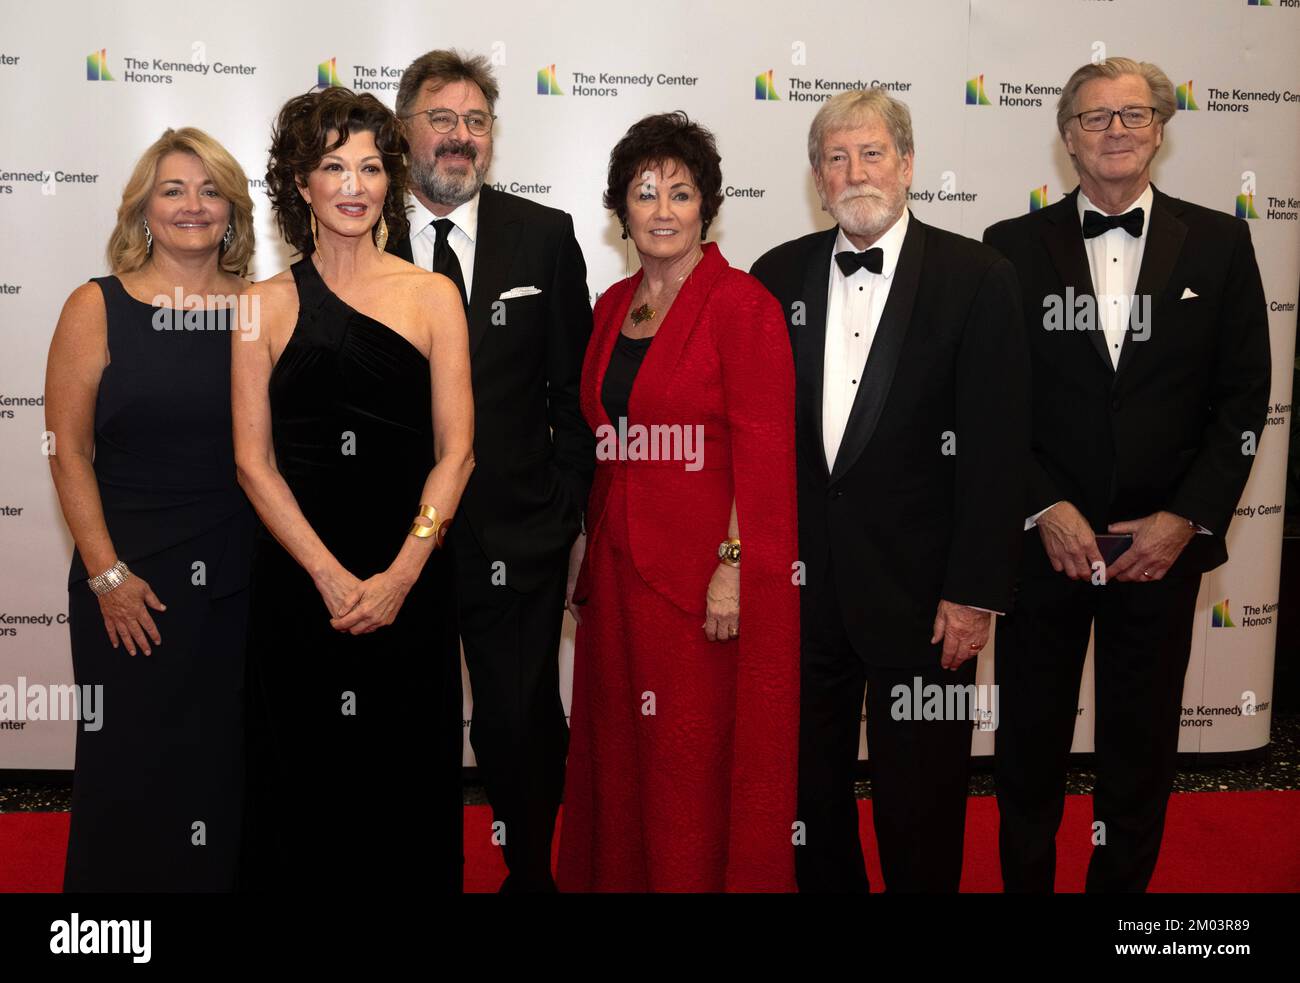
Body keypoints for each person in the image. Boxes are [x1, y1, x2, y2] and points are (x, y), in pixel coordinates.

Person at [983, 57, 1270, 893]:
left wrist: (1186, 518)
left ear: (1162, 129)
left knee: (1140, 749)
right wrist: (1044, 506)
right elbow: (994, 404)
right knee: (1028, 744)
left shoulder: (1219, 241)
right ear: (1066, 136)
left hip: (1162, 546)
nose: (1116, 131)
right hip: (1046, 548)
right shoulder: (1006, 249)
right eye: (1097, 117)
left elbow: (1244, 398)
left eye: (1134, 115)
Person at [751, 89, 1029, 893]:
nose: (854, 171)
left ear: (907, 165)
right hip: (802, 592)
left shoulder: (977, 276)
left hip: (927, 598)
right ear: (816, 177)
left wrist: (975, 591)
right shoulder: (776, 275)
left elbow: (997, 447)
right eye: (836, 158)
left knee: (922, 797)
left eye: (872, 153)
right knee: (810, 789)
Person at [232, 86, 474, 894]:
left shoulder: (433, 294)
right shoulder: (258, 308)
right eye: (332, 165)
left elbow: (458, 452)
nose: (353, 183)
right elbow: (253, 465)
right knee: (302, 781)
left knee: (403, 783)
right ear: (300, 183)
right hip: (302, 586)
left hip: (410, 578)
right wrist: (330, 575)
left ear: (390, 181)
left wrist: (402, 575)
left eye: (370, 166)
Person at [557, 112, 800, 892]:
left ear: (707, 207)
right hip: (619, 580)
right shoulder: (610, 305)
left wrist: (734, 565)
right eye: (646, 192)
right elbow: (606, 446)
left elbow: (764, 460)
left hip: (699, 586)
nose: (663, 210)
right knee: (623, 752)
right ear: (621, 208)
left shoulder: (743, 306)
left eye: (682, 193)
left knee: (687, 762)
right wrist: (582, 549)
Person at [388, 49, 594, 893]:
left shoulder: (543, 238)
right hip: (393, 544)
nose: (461, 138)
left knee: (520, 722)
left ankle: (529, 874)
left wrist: (569, 516)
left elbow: (575, 396)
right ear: (404, 130)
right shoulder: (361, 230)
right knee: (406, 723)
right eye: (442, 118)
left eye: (477, 122)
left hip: (520, 533)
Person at [46, 127, 256, 891]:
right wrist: (107, 576)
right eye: (173, 189)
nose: (192, 206)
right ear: (142, 210)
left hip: (240, 583)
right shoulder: (95, 307)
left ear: (233, 212)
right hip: (125, 583)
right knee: (129, 767)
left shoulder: (263, 309)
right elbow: (67, 450)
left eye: (210, 191)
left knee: (225, 763)